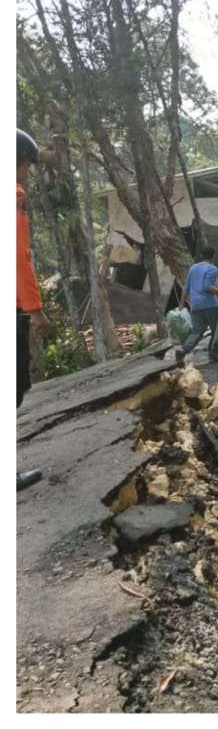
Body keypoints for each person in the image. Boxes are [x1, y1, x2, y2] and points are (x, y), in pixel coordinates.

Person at [17, 130, 48, 491]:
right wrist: (35, 309)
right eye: (26, 164)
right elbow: (18, 259)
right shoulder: (13, 196)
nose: (26, 172)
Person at [175, 245, 218, 365]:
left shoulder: (193, 268)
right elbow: (207, 287)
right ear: (213, 256)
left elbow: (186, 288)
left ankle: (183, 350)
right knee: (217, 331)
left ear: (202, 255)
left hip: (195, 305)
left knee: (197, 331)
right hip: (210, 305)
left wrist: (181, 304)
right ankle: (213, 355)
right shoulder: (212, 268)